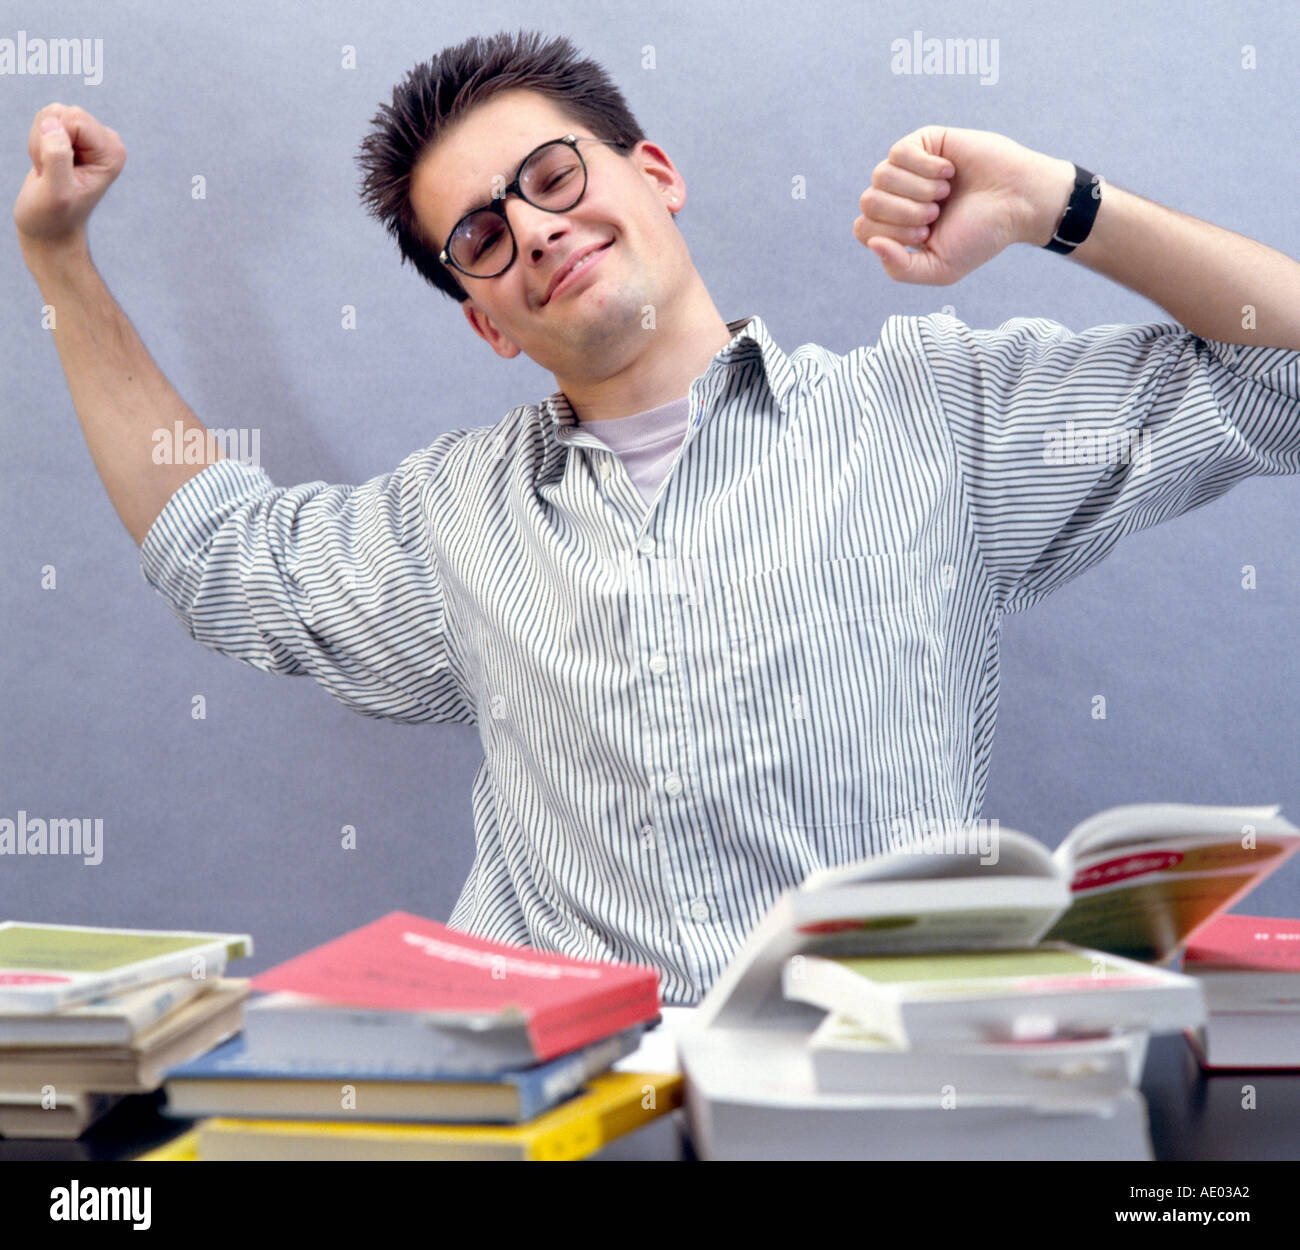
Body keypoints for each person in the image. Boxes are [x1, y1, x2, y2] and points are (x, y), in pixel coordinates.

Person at [14, 30, 1299, 1007]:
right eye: (479, 232)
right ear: (486, 319)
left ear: (655, 172)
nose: (530, 225)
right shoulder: (451, 521)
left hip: (876, 1096)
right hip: (569, 1106)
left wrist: (1057, 206)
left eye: (550, 172)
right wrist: (61, 262)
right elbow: (219, 550)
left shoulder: (934, 413)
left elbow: (1278, 375)